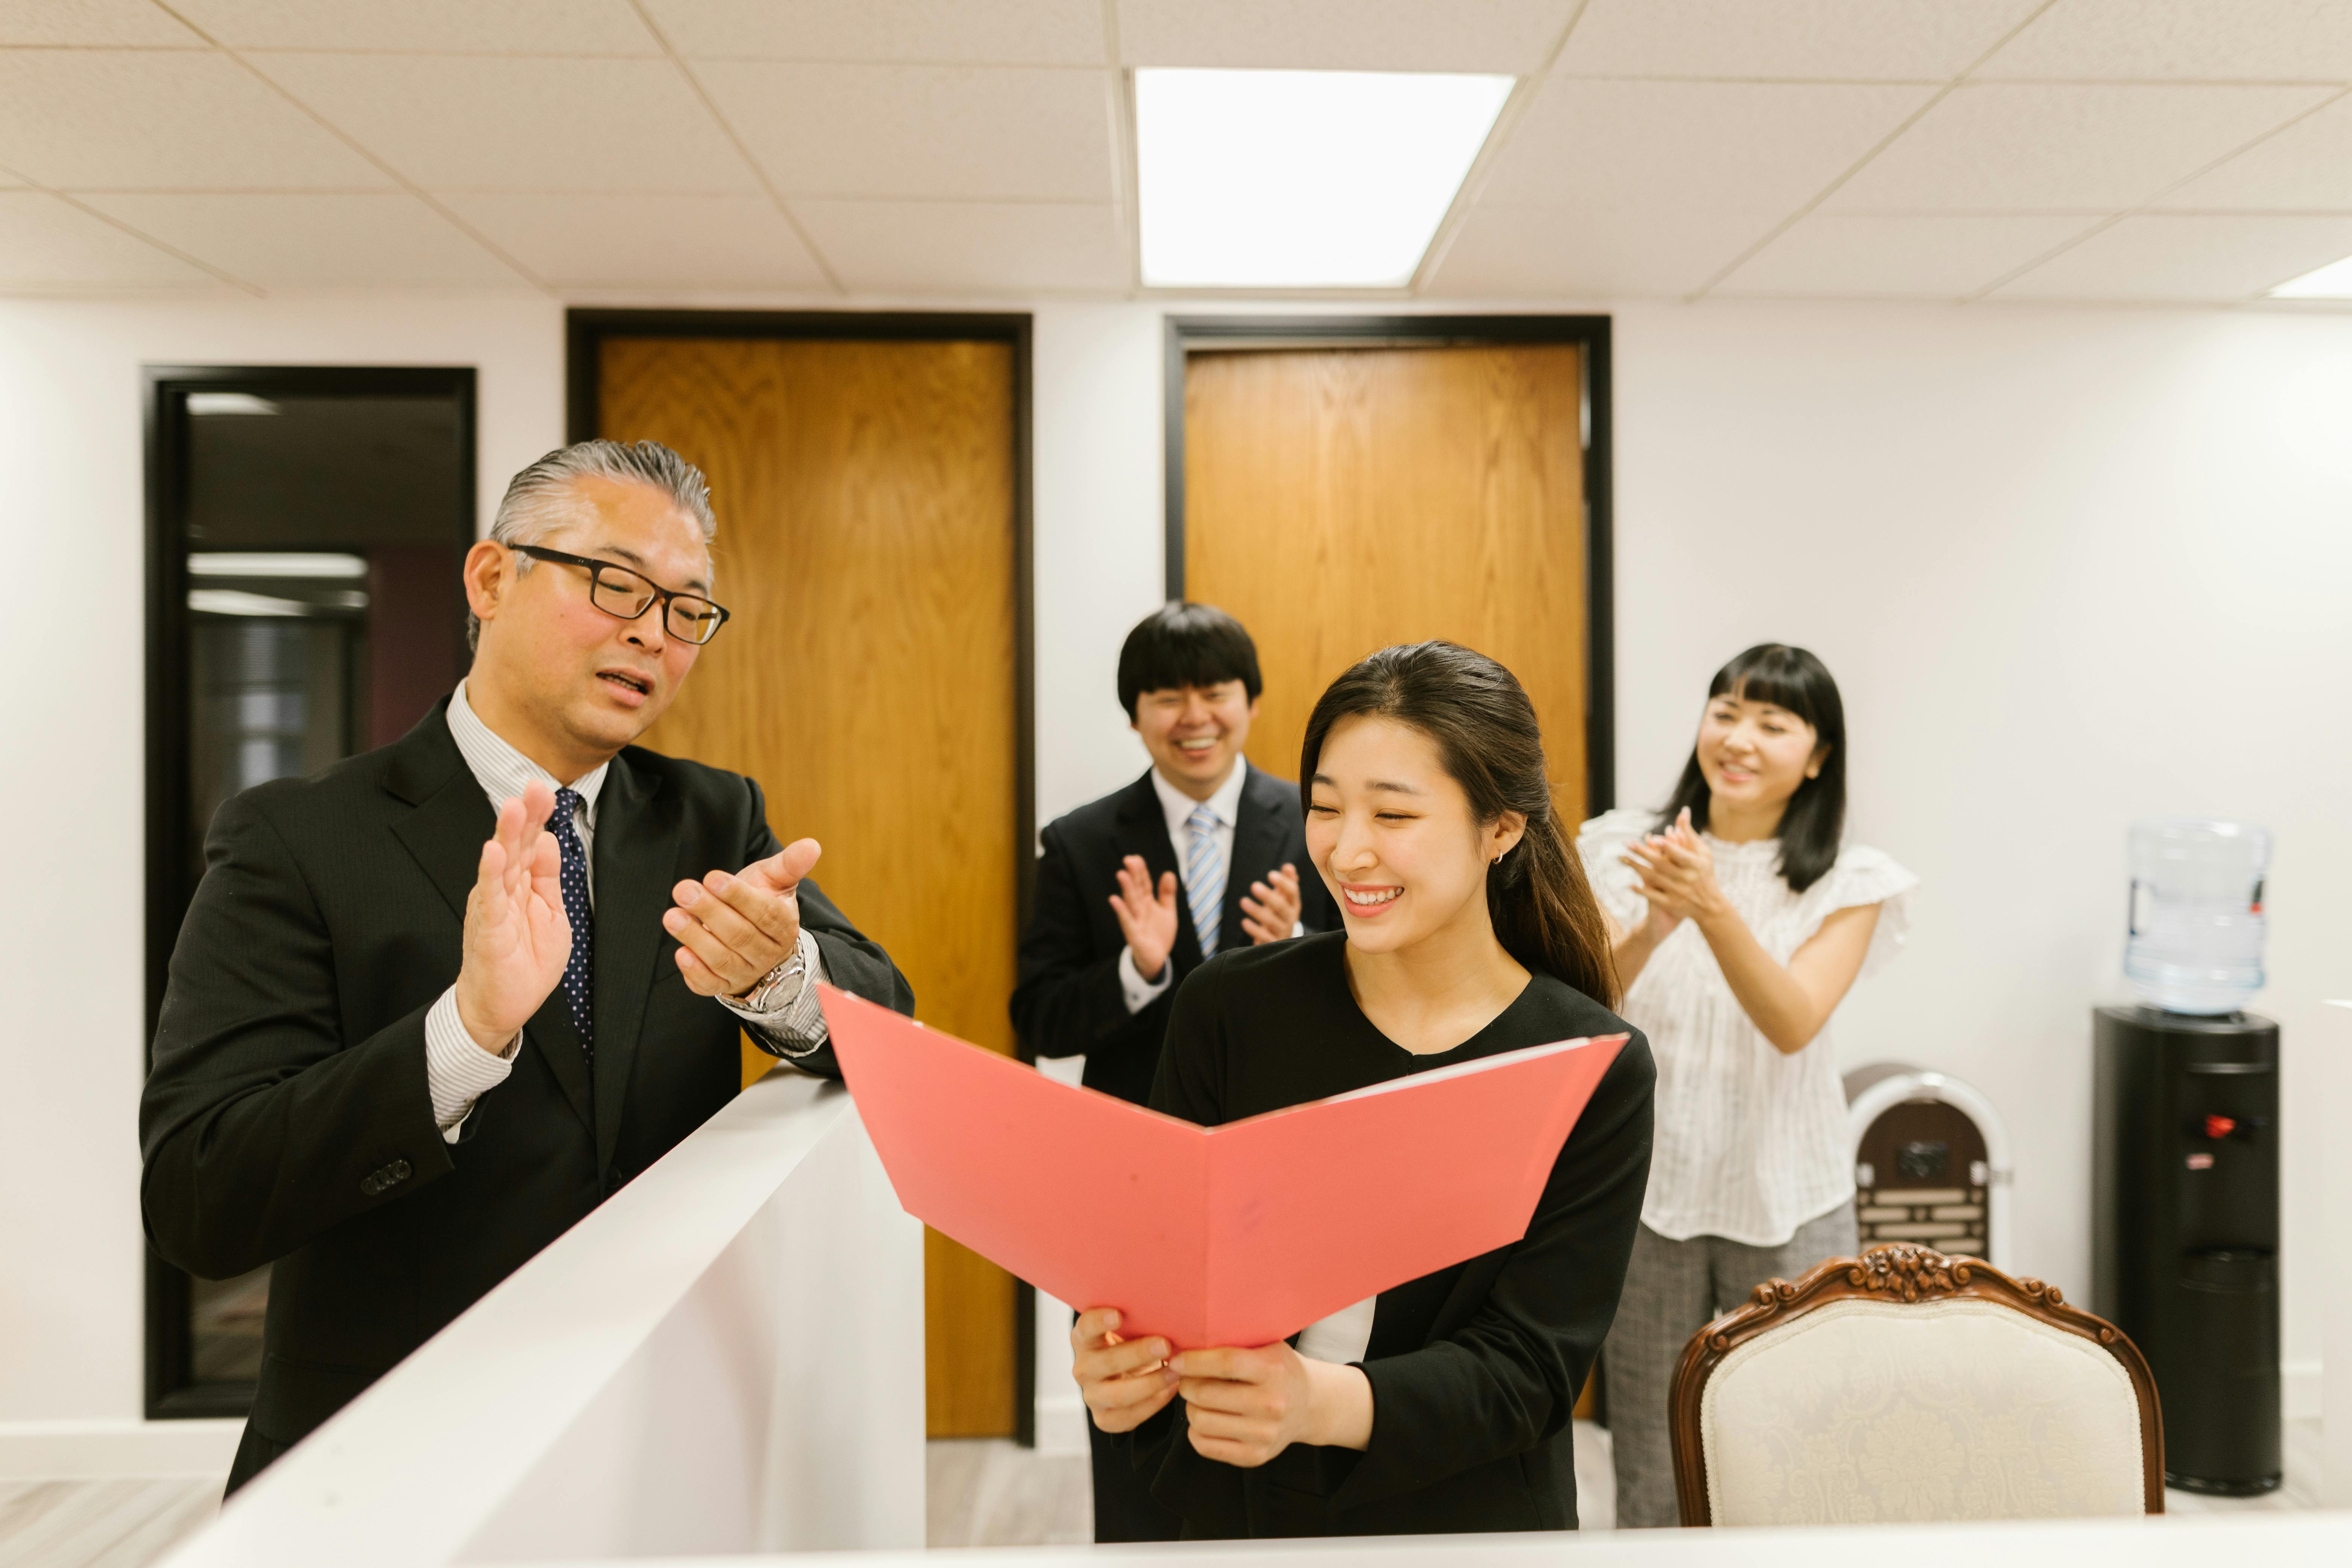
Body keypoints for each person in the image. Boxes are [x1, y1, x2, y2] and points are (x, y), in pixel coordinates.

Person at [140, 440, 914, 1493]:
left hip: (655, 1442)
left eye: (688, 608)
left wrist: (775, 978)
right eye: (615, 584)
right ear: (491, 579)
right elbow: (202, 1194)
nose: (653, 632)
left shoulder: (709, 816)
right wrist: (463, 1035)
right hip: (390, 1455)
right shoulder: (297, 838)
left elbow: (887, 1022)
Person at [1074, 641, 1655, 1538]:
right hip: (1231, 1510)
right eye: (1324, 807)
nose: (1347, 851)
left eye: (1393, 813)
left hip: (1466, 1525)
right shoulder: (1228, 1005)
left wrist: (1313, 1402)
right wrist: (1113, 1355)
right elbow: (1156, 1259)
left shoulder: (1589, 1062)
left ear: (1500, 829)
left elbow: (1528, 1368)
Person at [1012, 601, 1337, 1540]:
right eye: (1166, 696)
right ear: (1134, 713)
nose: (1193, 716)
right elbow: (1037, 1016)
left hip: (1281, 1171)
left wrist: (1300, 946)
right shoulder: (1080, 841)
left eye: (1214, 691)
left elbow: (1378, 990)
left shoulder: (1319, 824)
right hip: (1131, 1176)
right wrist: (1136, 969)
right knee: (1135, 1400)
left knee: (1275, 1400)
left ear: (1251, 701)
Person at [1578, 642, 1917, 1527]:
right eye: (1724, 711)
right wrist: (1653, 925)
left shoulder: (1850, 880)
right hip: (1649, 1190)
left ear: (1816, 756)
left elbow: (1792, 1019)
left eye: (1771, 722)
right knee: (1651, 1453)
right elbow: (1583, 1009)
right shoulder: (1619, 845)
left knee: (1800, 1443)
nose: (1738, 737)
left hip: (1789, 1192)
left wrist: (1710, 906)